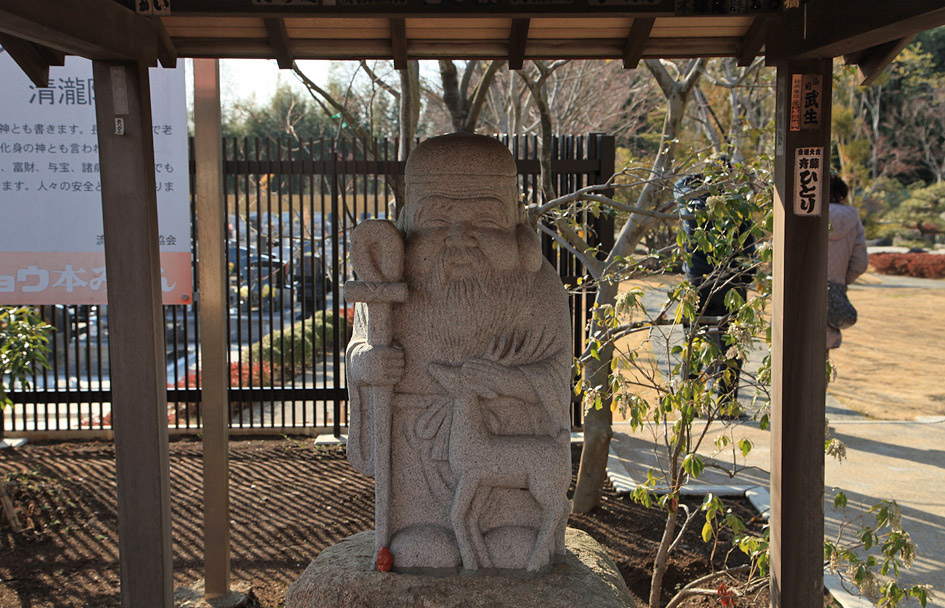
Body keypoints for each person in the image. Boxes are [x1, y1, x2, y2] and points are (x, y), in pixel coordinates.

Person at [345, 133, 573, 572]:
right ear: (407, 221)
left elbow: (555, 375)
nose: (460, 238)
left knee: (513, 547)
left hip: (510, 441)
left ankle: (516, 526)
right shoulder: (387, 295)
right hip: (418, 451)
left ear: (516, 222)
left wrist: (509, 381)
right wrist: (366, 365)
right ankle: (423, 527)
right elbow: (360, 349)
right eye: (438, 219)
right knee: (422, 548)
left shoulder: (540, 291)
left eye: (484, 220)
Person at [676, 166, 757, 411]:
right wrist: (746, 278)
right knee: (731, 345)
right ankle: (725, 404)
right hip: (731, 282)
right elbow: (748, 249)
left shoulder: (688, 205)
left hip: (696, 283)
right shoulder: (736, 207)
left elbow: (679, 184)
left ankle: (689, 403)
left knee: (693, 342)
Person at [827, 173, 869, 351]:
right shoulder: (853, 219)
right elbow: (860, 263)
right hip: (833, 292)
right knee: (820, 363)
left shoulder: (798, 211)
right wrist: (839, 281)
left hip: (797, 291)